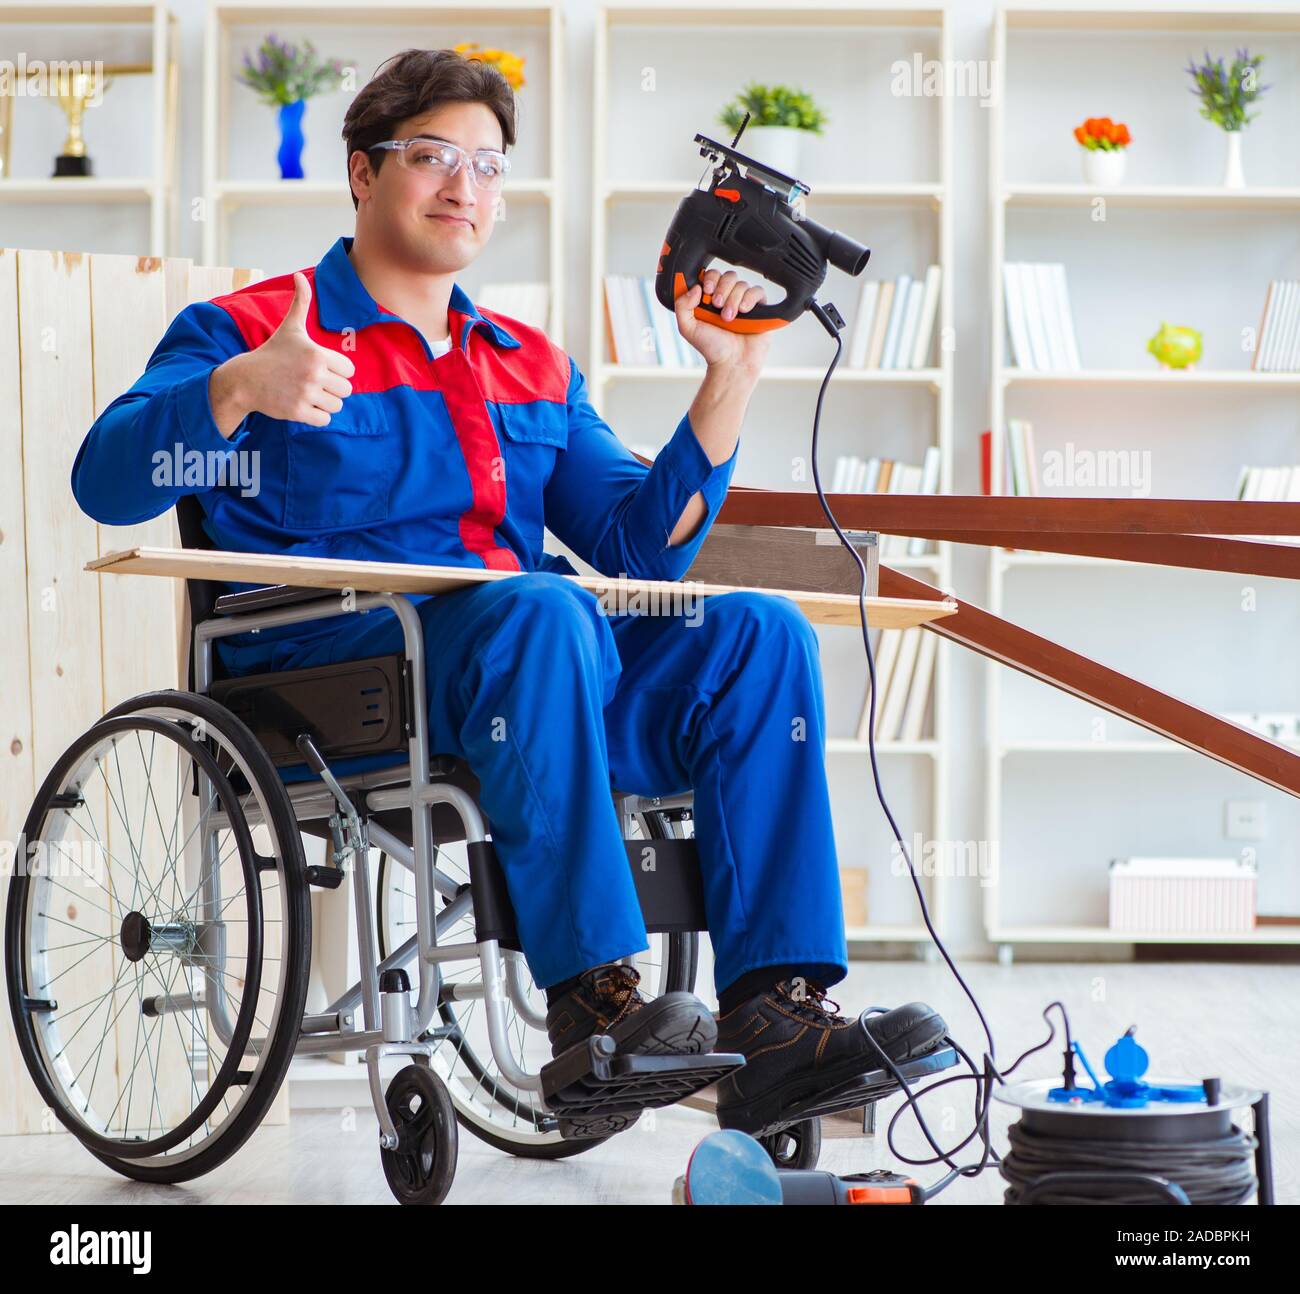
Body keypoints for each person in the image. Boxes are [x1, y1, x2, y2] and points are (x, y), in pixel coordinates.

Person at [70, 47, 946, 1129]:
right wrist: (240, 389)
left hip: (529, 673)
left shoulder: (528, 365)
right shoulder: (254, 327)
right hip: (336, 681)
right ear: (360, 173)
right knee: (540, 609)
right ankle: (592, 1003)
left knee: (757, 633)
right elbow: (108, 481)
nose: (463, 188)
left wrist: (728, 379)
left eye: (487, 167)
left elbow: (640, 545)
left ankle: (773, 1017)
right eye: (433, 156)